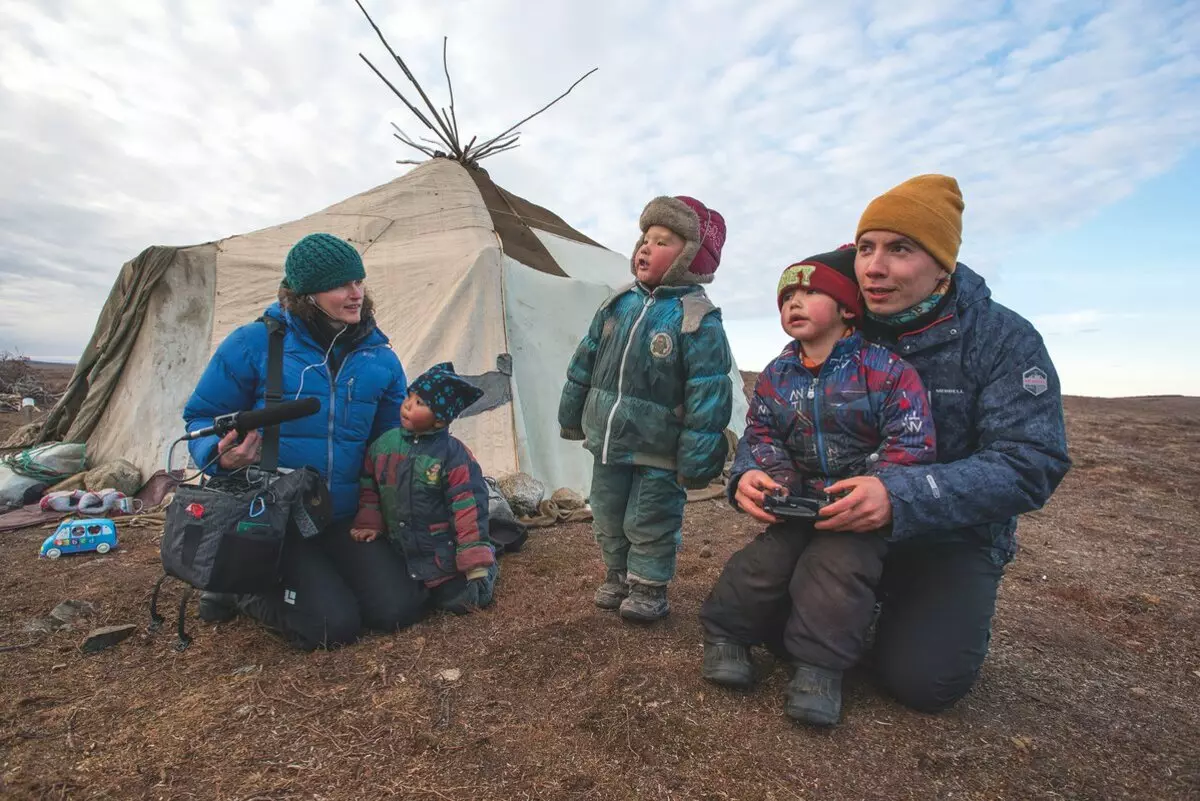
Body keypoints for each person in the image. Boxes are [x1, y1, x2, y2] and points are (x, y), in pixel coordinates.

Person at [732, 175, 1071, 713]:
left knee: (922, 683)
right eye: (866, 248)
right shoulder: (838, 320)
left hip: (949, 536)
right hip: (835, 521)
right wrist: (747, 470)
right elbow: (774, 414)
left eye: (900, 249)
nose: (874, 267)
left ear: (943, 263)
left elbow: (1031, 461)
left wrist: (900, 496)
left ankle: (903, 608)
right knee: (773, 637)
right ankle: (854, 605)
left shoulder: (1002, 338)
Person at [698, 246, 936, 726]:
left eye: (811, 292)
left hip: (855, 509)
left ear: (848, 307)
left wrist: (875, 489)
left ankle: (818, 669)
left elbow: (910, 441)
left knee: (838, 574)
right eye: (787, 297)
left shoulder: (886, 372)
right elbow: (762, 434)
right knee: (762, 564)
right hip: (796, 504)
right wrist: (773, 481)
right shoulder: (776, 375)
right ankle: (726, 636)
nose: (795, 304)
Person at [183, 232, 426, 650]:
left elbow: (389, 441)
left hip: (341, 514)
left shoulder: (379, 358)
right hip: (271, 516)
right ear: (306, 294)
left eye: (359, 282)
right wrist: (218, 455)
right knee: (333, 625)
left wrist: (431, 452)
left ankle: (320, 573)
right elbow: (200, 417)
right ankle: (239, 588)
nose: (356, 295)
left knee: (398, 609)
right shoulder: (255, 343)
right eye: (341, 285)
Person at [558, 195, 734, 622]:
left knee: (650, 515)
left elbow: (708, 393)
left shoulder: (696, 318)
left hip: (659, 444)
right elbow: (586, 361)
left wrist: (696, 456)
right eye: (645, 239)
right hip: (610, 439)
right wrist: (572, 414)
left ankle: (649, 585)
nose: (646, 248)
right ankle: (617, 573)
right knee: (607, 510)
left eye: (663, 241)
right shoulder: (617, 304)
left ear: (690, 258)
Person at [351, 362, 499, 615]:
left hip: (441, 555)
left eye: (420, 403)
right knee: (404, 600)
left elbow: (468, 507)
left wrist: (472, 558)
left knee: (460, 603)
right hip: (401, 551)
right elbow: (369, 486)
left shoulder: (454, 457)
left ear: (440, 419)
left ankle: (487, 561)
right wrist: (370, 520)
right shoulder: (384, 446)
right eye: (409, 397)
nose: (408, 405)